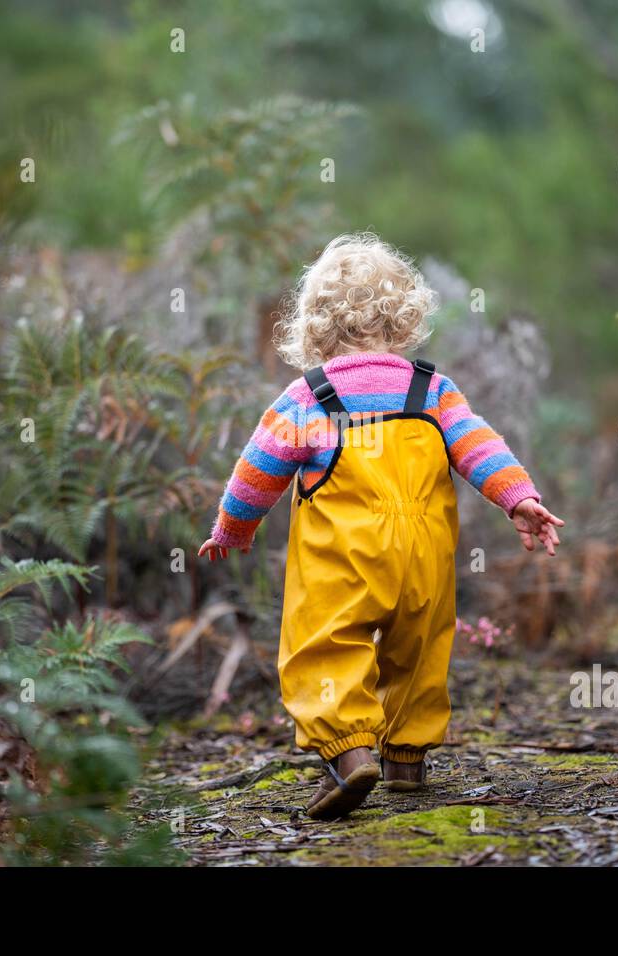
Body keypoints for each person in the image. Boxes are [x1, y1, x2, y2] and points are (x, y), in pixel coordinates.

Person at [199, 234, 564, 819]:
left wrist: (232, 529)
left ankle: (349, 756)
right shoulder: (433, 390)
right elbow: (478, 447)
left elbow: (257, 469)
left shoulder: (308, 399)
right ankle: (407, 759)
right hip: (423, 558)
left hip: (341, 562)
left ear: (314, 324)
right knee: (419, 650)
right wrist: (517, 498)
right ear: (405, 316)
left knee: (323, 648)